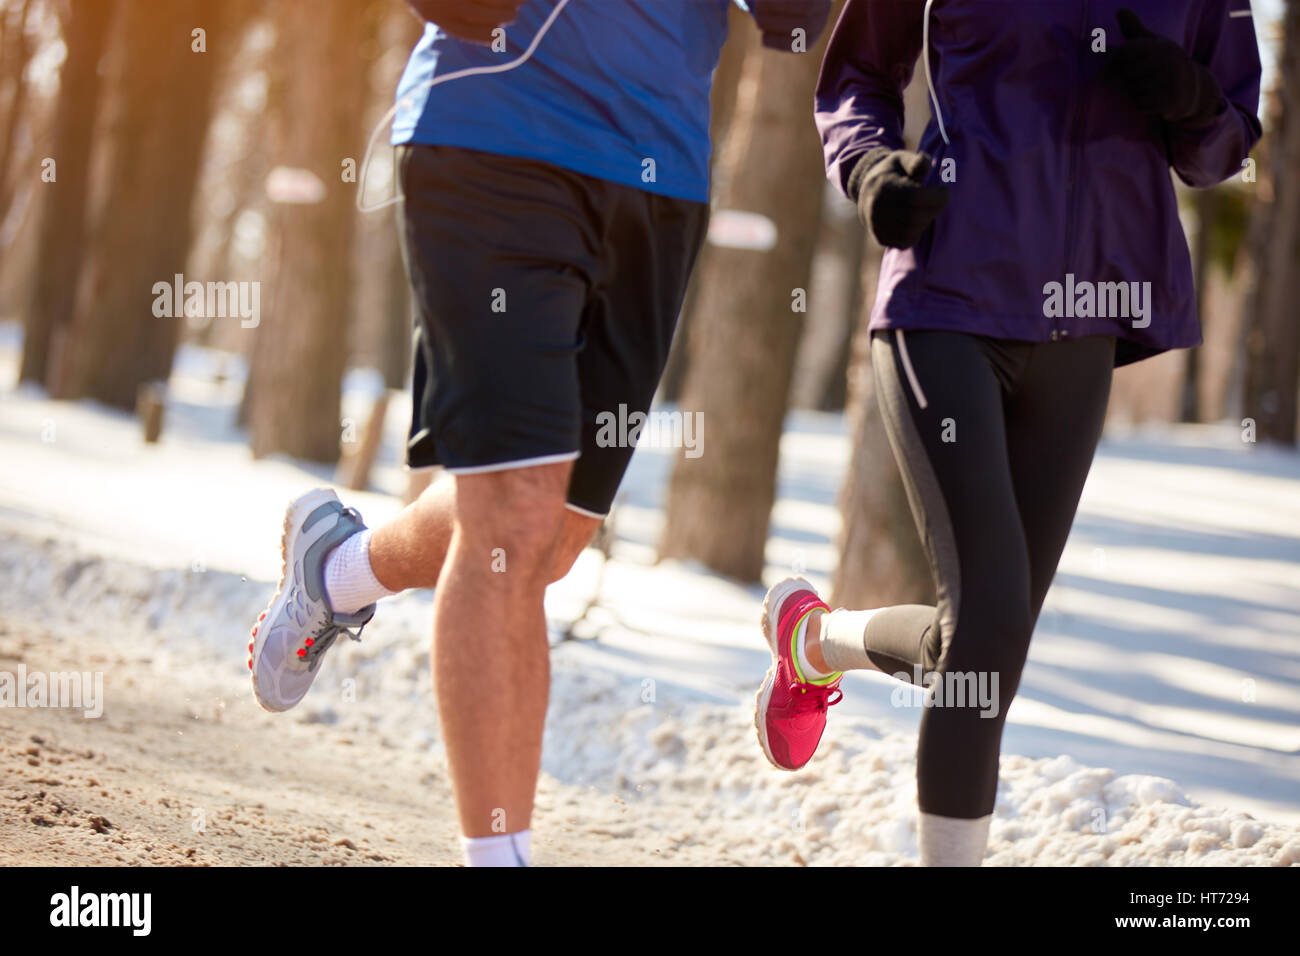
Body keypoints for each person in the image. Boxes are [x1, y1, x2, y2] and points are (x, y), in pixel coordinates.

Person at [247, 0, 833, 867]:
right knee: (514, 517)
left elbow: (792, 21)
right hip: (499, 126)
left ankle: (338, 568)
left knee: (550, 537)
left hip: (660, 171)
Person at [754, 1, 1261, 866]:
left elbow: (1223, 148)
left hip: (1089, 315)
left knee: (990, 646)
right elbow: (855, 76)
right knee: (988, 622)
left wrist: (1195, 103)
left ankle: (818, 639)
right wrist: (871, 167)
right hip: (947, 290)